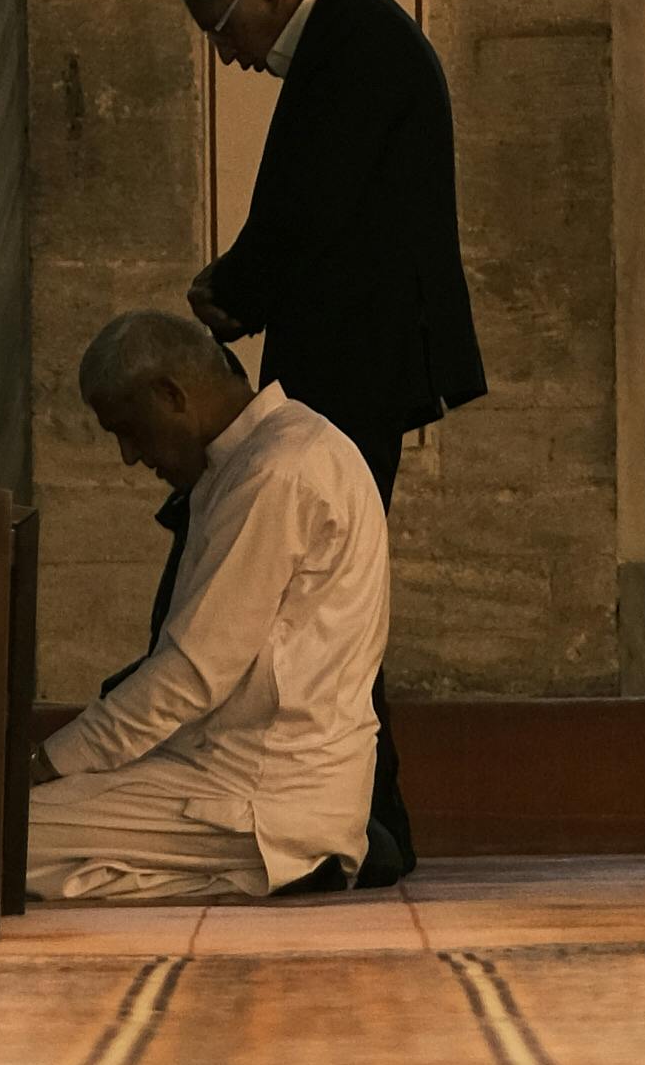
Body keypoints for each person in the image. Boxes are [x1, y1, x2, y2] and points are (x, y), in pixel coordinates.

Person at [178, 0, 486, 888]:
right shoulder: (359, 36)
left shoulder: (355, 44)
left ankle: (358, 820)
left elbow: (307, 209)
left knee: (322, 601)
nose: (229, 57)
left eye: (224, 29)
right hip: (353, 358)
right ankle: (359, 815)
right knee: (324, 595)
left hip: (356, 363)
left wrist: (230, 292)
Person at [27, 310, 391, 905]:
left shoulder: (277, 470)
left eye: (128, 428)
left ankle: (289, 858)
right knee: (26, 850)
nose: (128, 456)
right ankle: (260, 873)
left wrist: (46, 761)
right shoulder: (271, 452)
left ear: (172, 395)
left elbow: (190, 674)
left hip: (258, 786)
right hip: (239, 775)